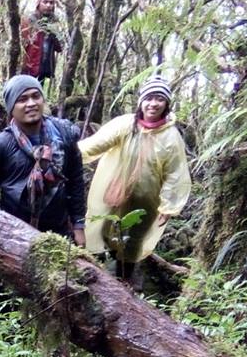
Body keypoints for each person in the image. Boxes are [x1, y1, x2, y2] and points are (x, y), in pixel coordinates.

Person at [78, 75, 191, 282]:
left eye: (159, 99)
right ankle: (93, 276)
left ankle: (124, 282)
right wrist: (71, 154)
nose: (153, 104)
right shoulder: (125, 124)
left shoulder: (171, 136)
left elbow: (175, 173)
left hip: (146, 202)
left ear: (166, 104)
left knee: (133, 241)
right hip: (114, 193)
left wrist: (169, 206)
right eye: (149, 98)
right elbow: (98, 143)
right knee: (102, 230)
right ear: (141, 101)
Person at [0, 74, 86, 243]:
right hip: (14, 235)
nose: (31, 103)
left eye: (36, 96)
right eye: (22, 99)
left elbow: (75, 179)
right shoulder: (0, 145)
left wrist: (78, 225)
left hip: (59, 233)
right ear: (11, 107)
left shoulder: (64, 133)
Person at [21, 0, 62, 82]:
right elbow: (22, 45)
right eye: (45, 2)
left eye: (51, 3)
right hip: (29, 67)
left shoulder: (53, 23)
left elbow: (59, 48)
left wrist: (53, 32)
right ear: (38, 4)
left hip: (44, 68)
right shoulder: (28, 21)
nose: (48, 5)